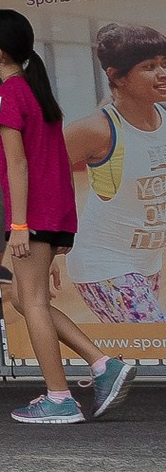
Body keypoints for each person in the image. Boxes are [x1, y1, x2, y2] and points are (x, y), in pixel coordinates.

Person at [0, 10, 136, 424]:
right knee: (30, 301)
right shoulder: (37, 90)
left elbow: (19, 165)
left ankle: (59, 397)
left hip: (33, 214)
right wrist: (61, 228)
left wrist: (20, 226)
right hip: (52, 212)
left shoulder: (6, 94)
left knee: (31, 302)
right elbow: (55, 163)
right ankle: (102, 364)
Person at [63, 20, 166, 329]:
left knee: (147, 356)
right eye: (149, 66)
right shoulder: (96, 129)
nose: (162, 72)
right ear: (116, 76)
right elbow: (35, 172)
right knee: (158, 350)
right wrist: (41, 249)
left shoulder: (162, 116)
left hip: (148, 261)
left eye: (164, 63)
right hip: (103, 263)